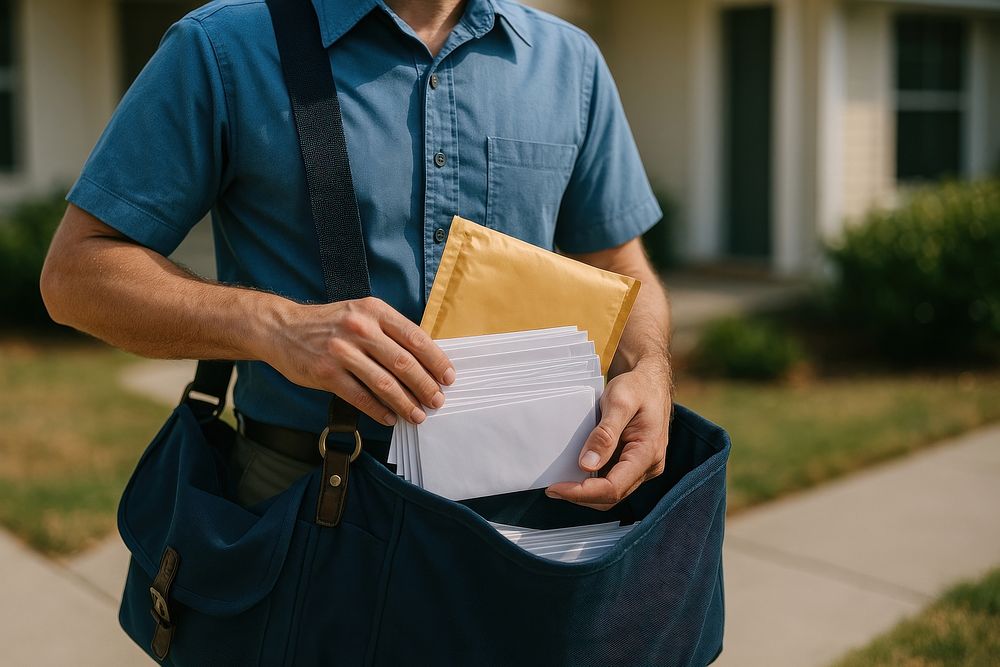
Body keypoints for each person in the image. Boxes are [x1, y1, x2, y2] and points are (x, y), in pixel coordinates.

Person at [40, 0, 672, 511]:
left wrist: (648, 369)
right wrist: (274, 326)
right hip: (305, 497)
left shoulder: (570, 62)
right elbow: (75, 273)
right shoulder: (222, 48)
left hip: (527, 499)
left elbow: (619, 263)